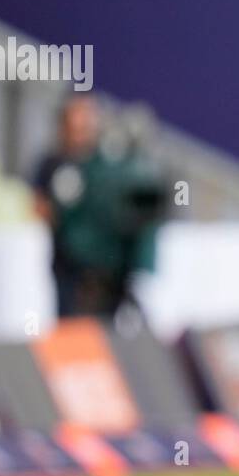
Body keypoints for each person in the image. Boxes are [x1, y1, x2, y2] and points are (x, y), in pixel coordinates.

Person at [31, 94, 165, 319]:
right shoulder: (55, 163)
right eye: (79, 116)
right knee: (73, 332)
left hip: (110, 271)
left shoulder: (111, 163)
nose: (86, 124)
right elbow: (43, 209)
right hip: (70, 268)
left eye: (90, 116)